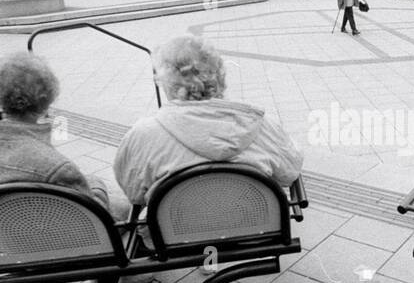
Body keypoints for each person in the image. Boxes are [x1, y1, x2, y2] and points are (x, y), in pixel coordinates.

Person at [114, 35, 302, 206]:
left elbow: (134, 195)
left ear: (167, 83)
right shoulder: (262, 124)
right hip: (258, 233)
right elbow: (290, 173)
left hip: (179, 238)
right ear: (220, 75)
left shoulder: (142, 135)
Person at [0, 52, 129, 219]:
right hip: (56, 243)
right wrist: (97, 186)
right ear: (48, 98)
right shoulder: (56, 168)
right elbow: (95, 216)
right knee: (124, 204)